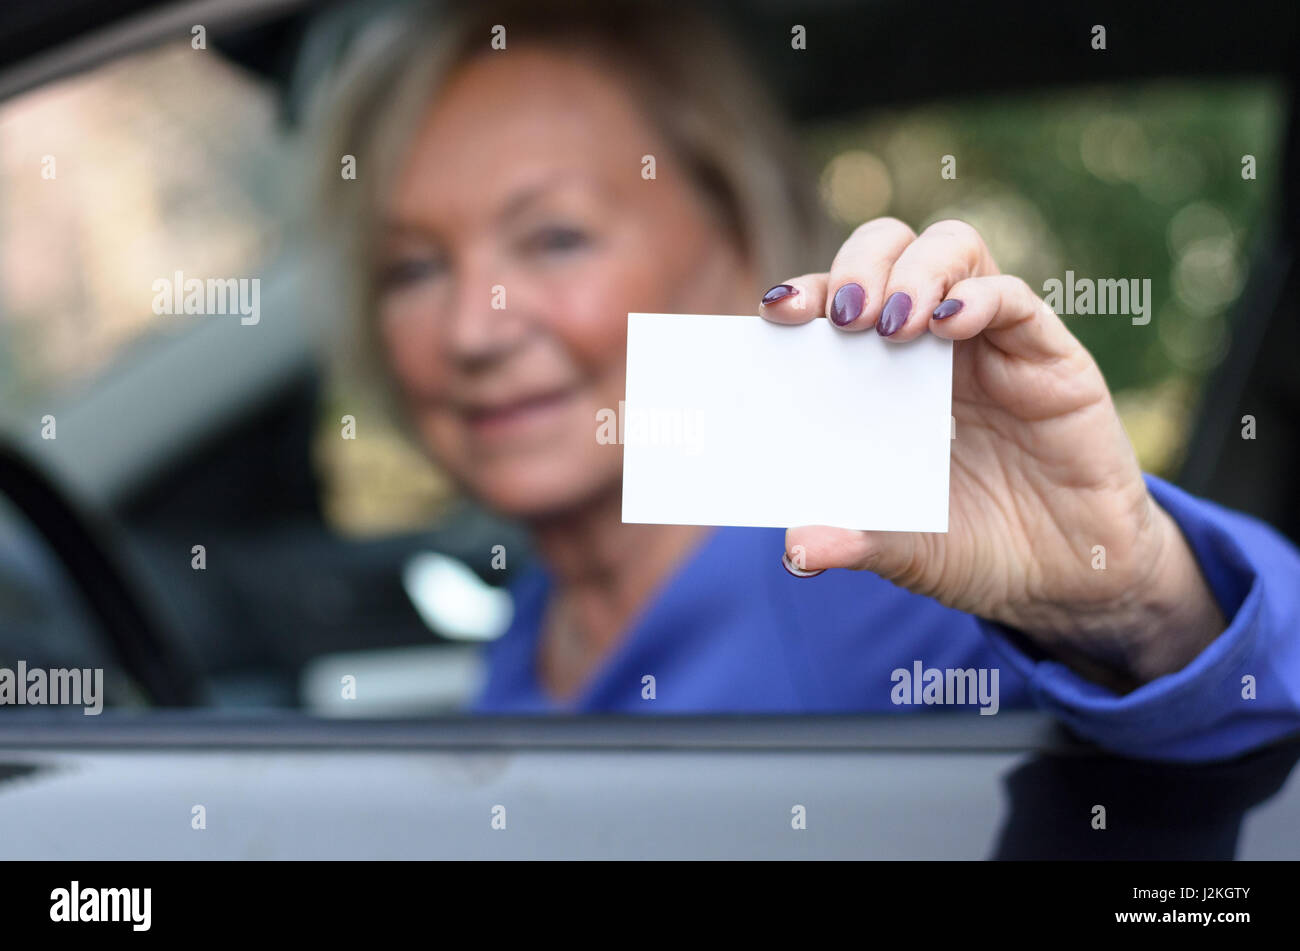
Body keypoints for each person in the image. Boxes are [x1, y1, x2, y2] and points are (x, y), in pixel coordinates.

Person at [312, 0, 1300, 761]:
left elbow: (1260, 711)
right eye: (412, 268)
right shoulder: (533, 629)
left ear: (739, 235)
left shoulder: (882, 571)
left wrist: (1128, 594)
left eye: (554, 238)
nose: (470, 327)